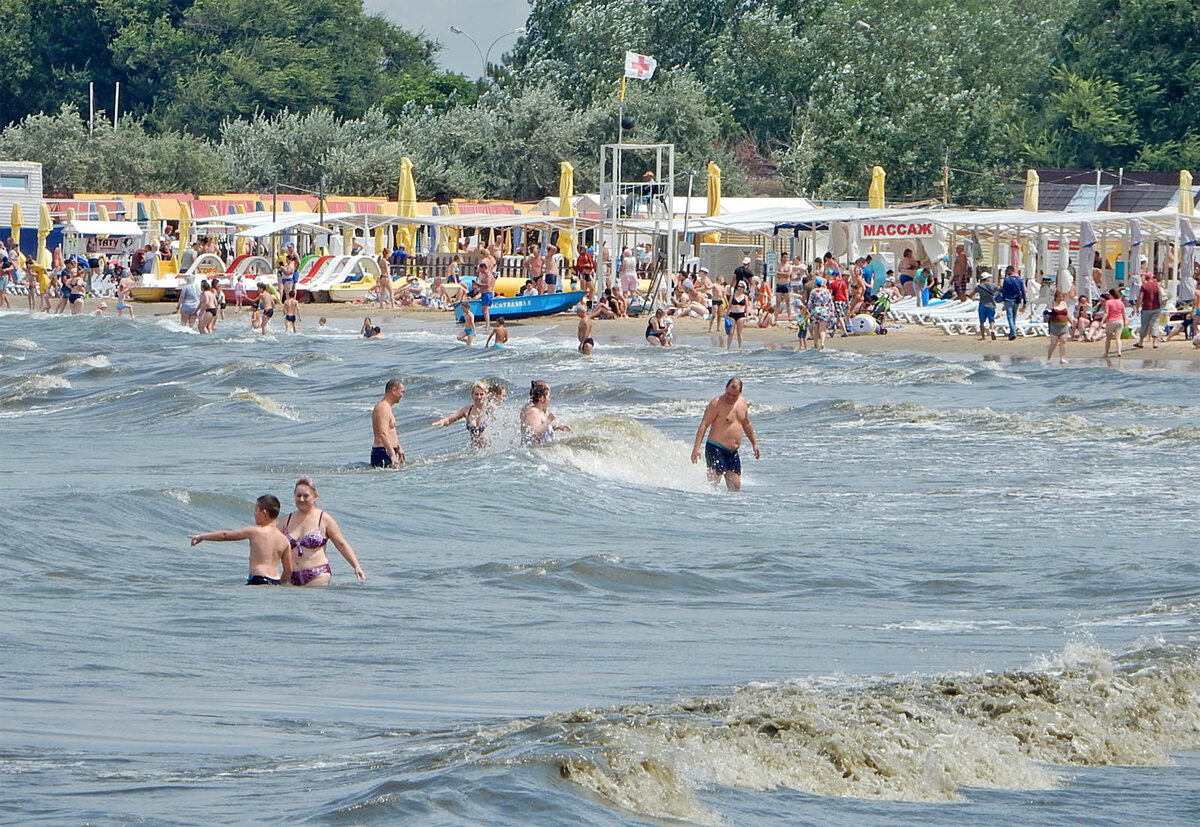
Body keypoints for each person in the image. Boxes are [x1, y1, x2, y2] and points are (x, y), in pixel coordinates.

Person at [279, 478, 365, 587]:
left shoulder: (324, 519)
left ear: (315, 496)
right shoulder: (287, 519)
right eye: (298, 496)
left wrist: (356, 566)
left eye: (306, 496)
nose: (301, 499)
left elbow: (341, 544)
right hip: (290, 576)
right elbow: (271, 543)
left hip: (318, 574)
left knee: (315, 604)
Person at [189, 494, 291, 585]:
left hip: (258, 579)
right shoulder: (284, 540)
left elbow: (225, 535)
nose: (254, 514)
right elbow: (288, 570)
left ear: (264, 513)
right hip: (275, 581)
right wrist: (280, 584)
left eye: (256, 510)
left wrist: (202, 536)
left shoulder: (255, 532)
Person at [690, 377, 761, 492]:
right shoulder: (716, 403)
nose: (730, 398)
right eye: (728, 394)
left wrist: (754, 444)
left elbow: (747, 424)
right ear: (725, 389)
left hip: (732, 453)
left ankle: (729, 510)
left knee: (735, 488)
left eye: (734, 396)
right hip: (715, 447)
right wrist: (696, 448)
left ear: (740, 393)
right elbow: (704, 424)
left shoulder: (742, 403)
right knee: (713, 485)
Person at [432, 380, 491, 447]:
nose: (479, 397)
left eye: (481, 394)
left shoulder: (490, 409)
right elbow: (449, 420)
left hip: (489, 449)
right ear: (472, 395)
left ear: (486, 395)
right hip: (475, 450)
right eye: (476, 394)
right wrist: (441, 422)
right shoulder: (466, 410)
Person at [521, 379, 571, 445]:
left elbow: (540, 426)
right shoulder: (533, 412)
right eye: (548, 396)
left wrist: (557, 427)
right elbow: (534, 434)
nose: (549, 399)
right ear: (542, 398)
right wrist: (549, 420)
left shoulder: (538, 410)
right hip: (535, 451)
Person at [1134, 269, 1162, 349]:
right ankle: (1155, 343)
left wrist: (1137, 307)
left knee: (1144, 325)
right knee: (1155, 324)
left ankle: (1141, 342)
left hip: (1146, 308)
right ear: (1152, 277)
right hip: (1156, 307)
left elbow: (1140, 297)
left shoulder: (1144, 286)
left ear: (1146, 278)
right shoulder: (1157, 285)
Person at [969, 271, 1000, 340]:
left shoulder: (979, 286)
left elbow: (971, 294)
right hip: (991, 305)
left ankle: (983, 336)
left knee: (982, 322)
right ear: (987, 279)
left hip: (982, 305)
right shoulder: (993, 285)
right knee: (991, 320)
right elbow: (1000, 290)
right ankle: (992, 330)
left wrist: (969, 297)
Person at [806, 276, 835, 350]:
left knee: (816, 328)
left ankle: (815, 344)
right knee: (822, 329)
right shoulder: (826, 291)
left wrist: (808, 310)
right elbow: (830, 302)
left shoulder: (813, 291)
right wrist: (832, 311)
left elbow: (810, 303)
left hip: (816, 311)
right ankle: (822, 343)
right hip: (824, 310)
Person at [1000, 266, 1027, 340]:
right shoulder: (1019, 280)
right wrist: (1025, 301)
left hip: (1008, 299)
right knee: (1014, 316)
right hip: (1016, 300)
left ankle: (1013, 332)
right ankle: (1012, 333)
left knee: (1010, 317)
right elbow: (1023, 291)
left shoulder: (1007, 280)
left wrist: (1003, 300)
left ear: (1010, 270)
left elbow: (1004, 291)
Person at [1046, 290, 1071, 364]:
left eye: (1062, 297)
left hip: (1064, 325)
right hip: (1054, 325)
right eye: (1059, 297)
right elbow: (1046, 313)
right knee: (1053, 343)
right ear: (1056, 297)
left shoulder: (1064, 304)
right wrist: (1049, 313)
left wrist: (1072, 322)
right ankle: (1048, 358)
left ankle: (1062, 358)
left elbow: (1067, 314)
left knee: (1063, 341)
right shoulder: (1052, 304)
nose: (1061, 298)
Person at [1102, 287, 1127, 357]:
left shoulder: (1108, 302)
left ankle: (1106, 353)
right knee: (1118, 338)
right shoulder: (1120, 302)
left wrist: (1102, 321)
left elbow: (1106, 312)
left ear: (1111, 295)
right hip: (1119, 320)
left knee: (1108, 338)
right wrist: (1125, 322)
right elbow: (1124, 313)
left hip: (1111, 321)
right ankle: (1119, 352)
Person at [726, 282, 749, 350]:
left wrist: (747, 316)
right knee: (731, 332)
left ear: (744, 288)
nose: (739, 288)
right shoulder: (733, 295)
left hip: (741, 314)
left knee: (739, 332)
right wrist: (727, 314)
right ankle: (728, 347)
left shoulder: (745, 297)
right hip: (732, 313)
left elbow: (747, 307)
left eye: (741, 287)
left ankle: (739, 347)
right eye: (738, 286)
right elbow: (729, 305)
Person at [474, 260, 496, 328]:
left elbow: (488, 284)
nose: (479, 270)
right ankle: (487, 324)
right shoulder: (483, 275)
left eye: (480, 269)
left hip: (487, 293)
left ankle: (488, 325)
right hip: (484, 293)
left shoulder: (488, 275)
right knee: (484, 310)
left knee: (485, 310)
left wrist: (478, 284)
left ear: (483, 268)